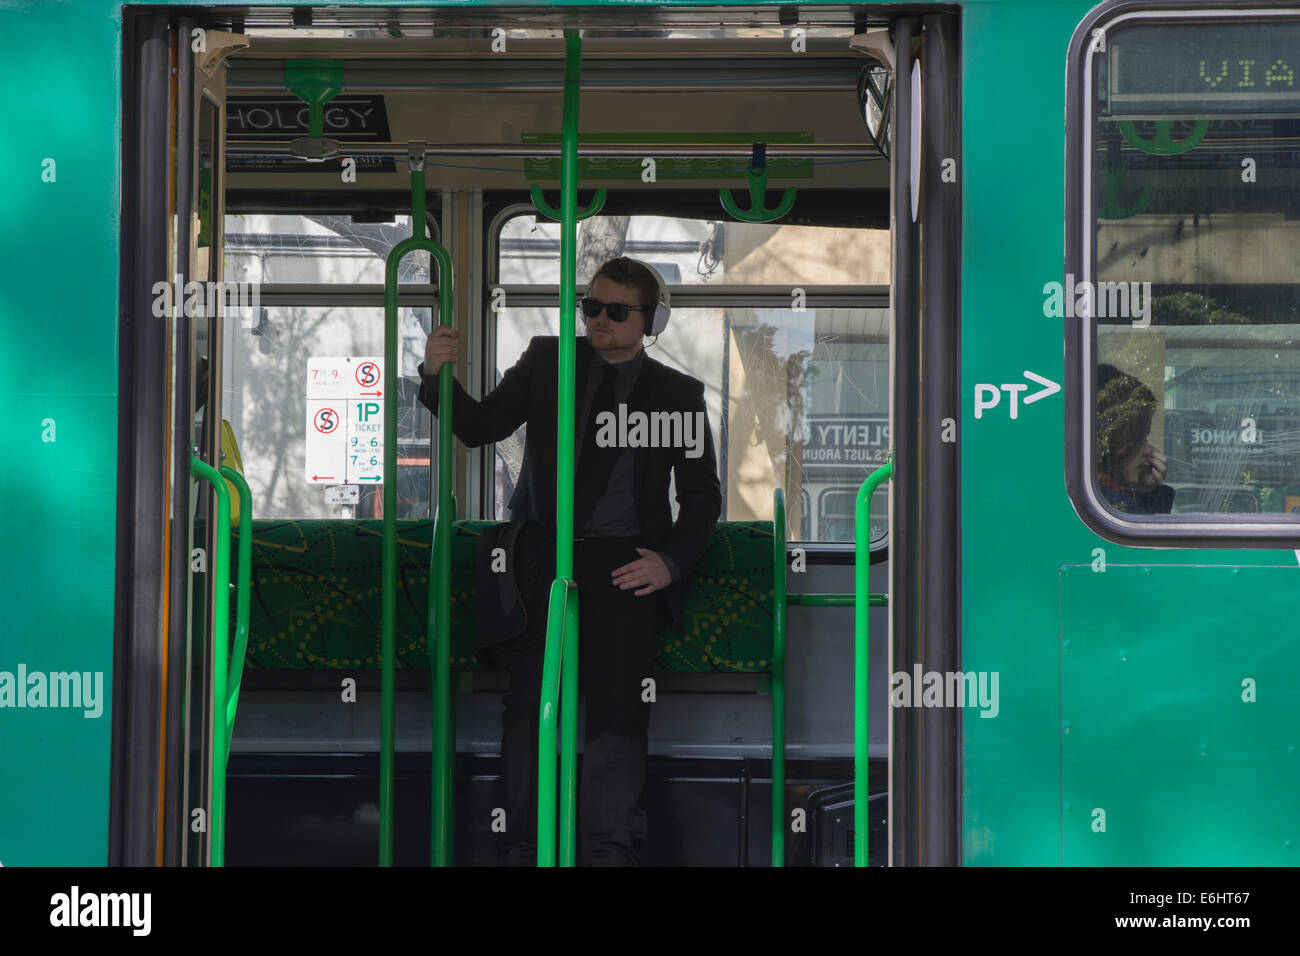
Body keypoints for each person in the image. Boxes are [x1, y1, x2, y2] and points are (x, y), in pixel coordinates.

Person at [417, 256, 722, 865]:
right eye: (591, 308)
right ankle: (523, 847)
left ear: (650, 319)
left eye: (616, 311)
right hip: (544, 559)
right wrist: (434, 373)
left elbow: (701, 497)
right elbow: (479, 427)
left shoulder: (677, 395)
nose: (599, 320)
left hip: (626, 565)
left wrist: (670, 563)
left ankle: (609, 850)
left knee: (620, 713)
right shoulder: (547, 362)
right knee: (530, 706)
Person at [1095, 363, 1174, 514]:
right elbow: (1150, 534)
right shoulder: (1112, 505)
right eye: (1138, 438)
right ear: (1112, 440)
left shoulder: (1101, 497)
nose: (1148, 450)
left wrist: (1146, 491)